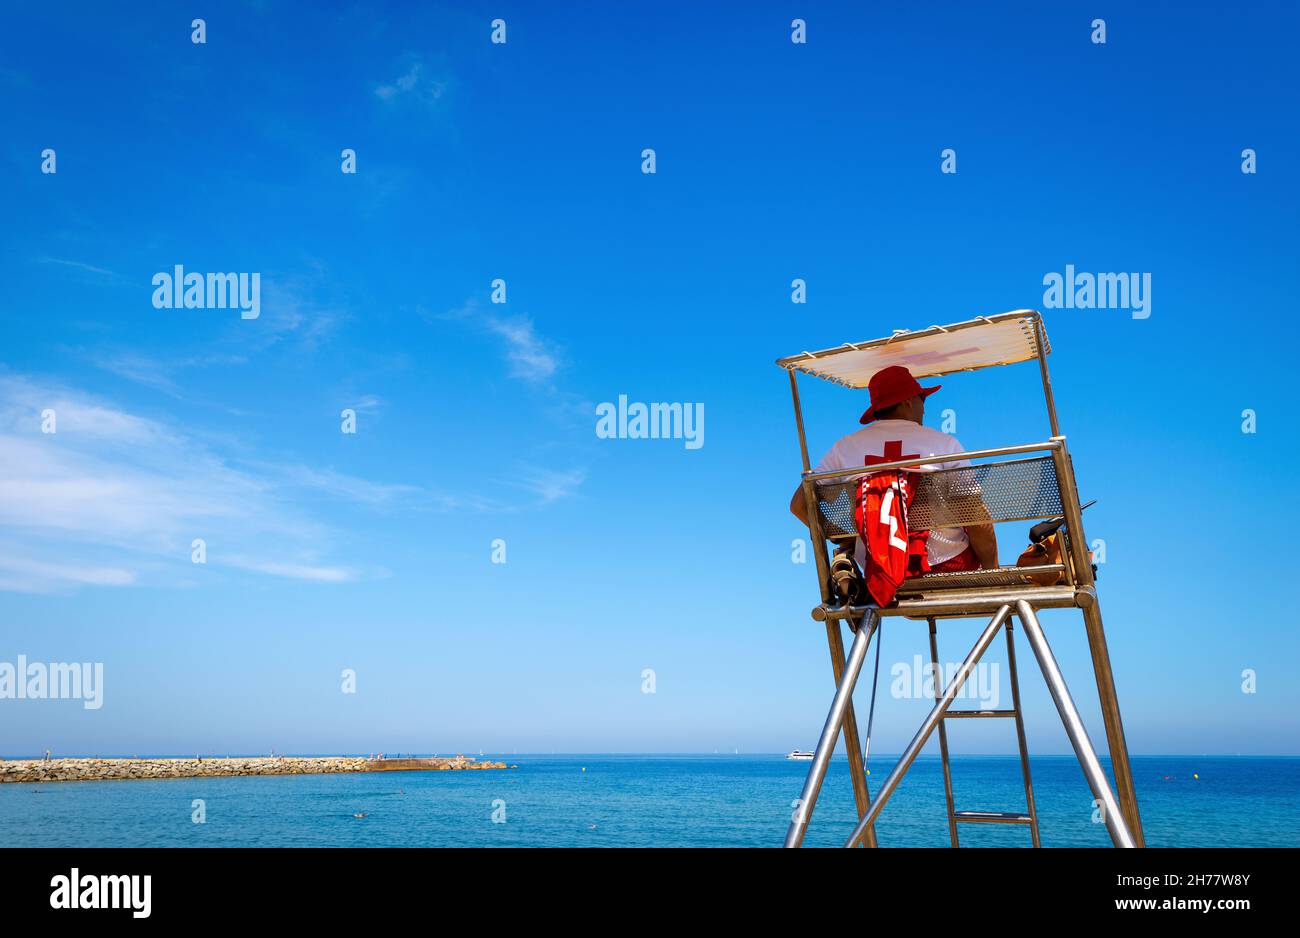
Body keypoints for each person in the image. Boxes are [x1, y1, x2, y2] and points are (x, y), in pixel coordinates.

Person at [790, 364, 998, 573]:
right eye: (922, 398)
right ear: (907, 402)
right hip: (947, 565)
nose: (924, 407)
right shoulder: (944, 444)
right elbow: (975, 516)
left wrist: (841, 536)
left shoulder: (844, 448)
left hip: (878, 570)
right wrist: (992, 570)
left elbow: (799, 505)